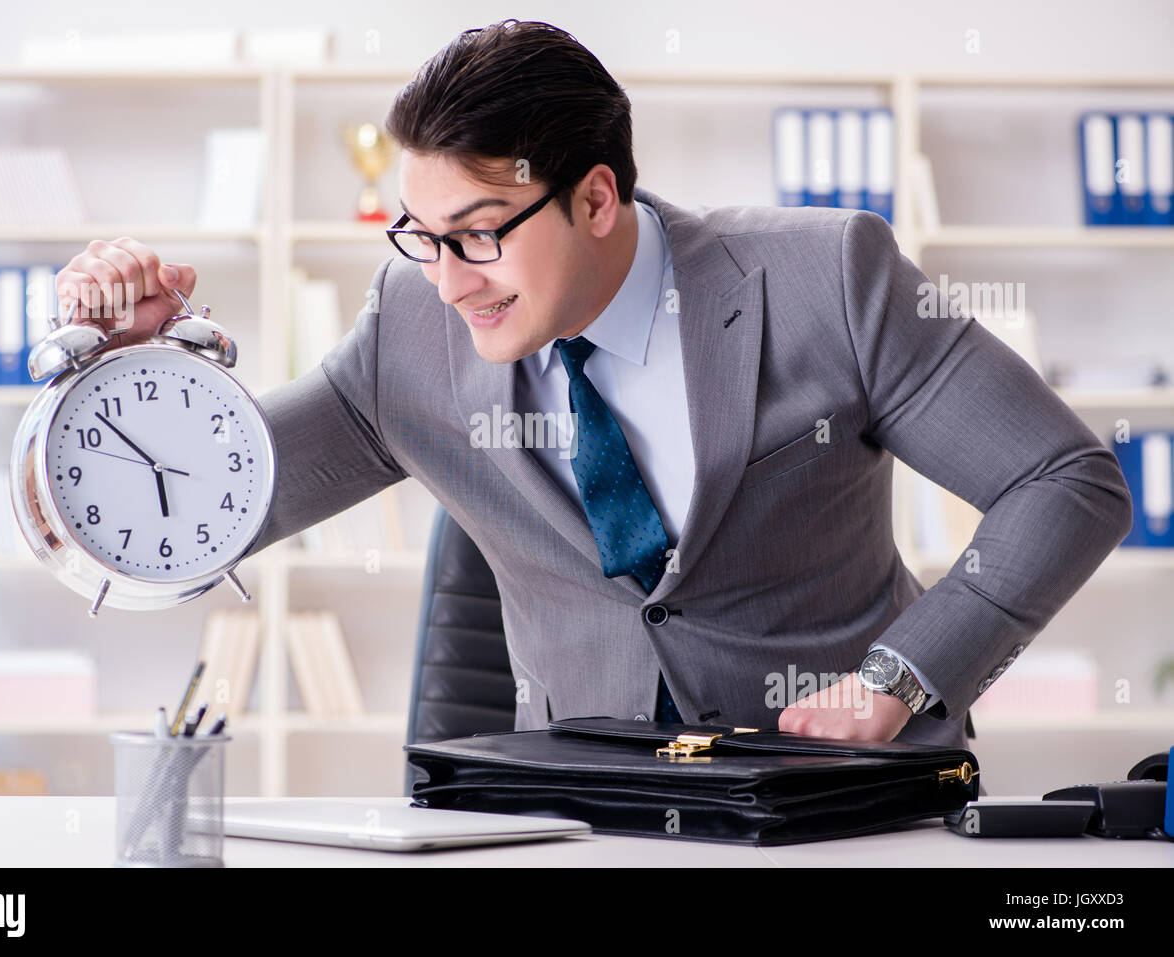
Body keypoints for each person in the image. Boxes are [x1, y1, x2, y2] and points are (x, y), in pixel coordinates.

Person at [55, 19, 1132, 754]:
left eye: (476, 237)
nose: (445, 279)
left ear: (598, 198)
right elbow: (196, 519)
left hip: (839, 805)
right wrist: (135, 379)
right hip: (584, 813)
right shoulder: (408, 331)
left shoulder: (826, 280)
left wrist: (903, 678)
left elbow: (1064, 479)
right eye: (419, 237)